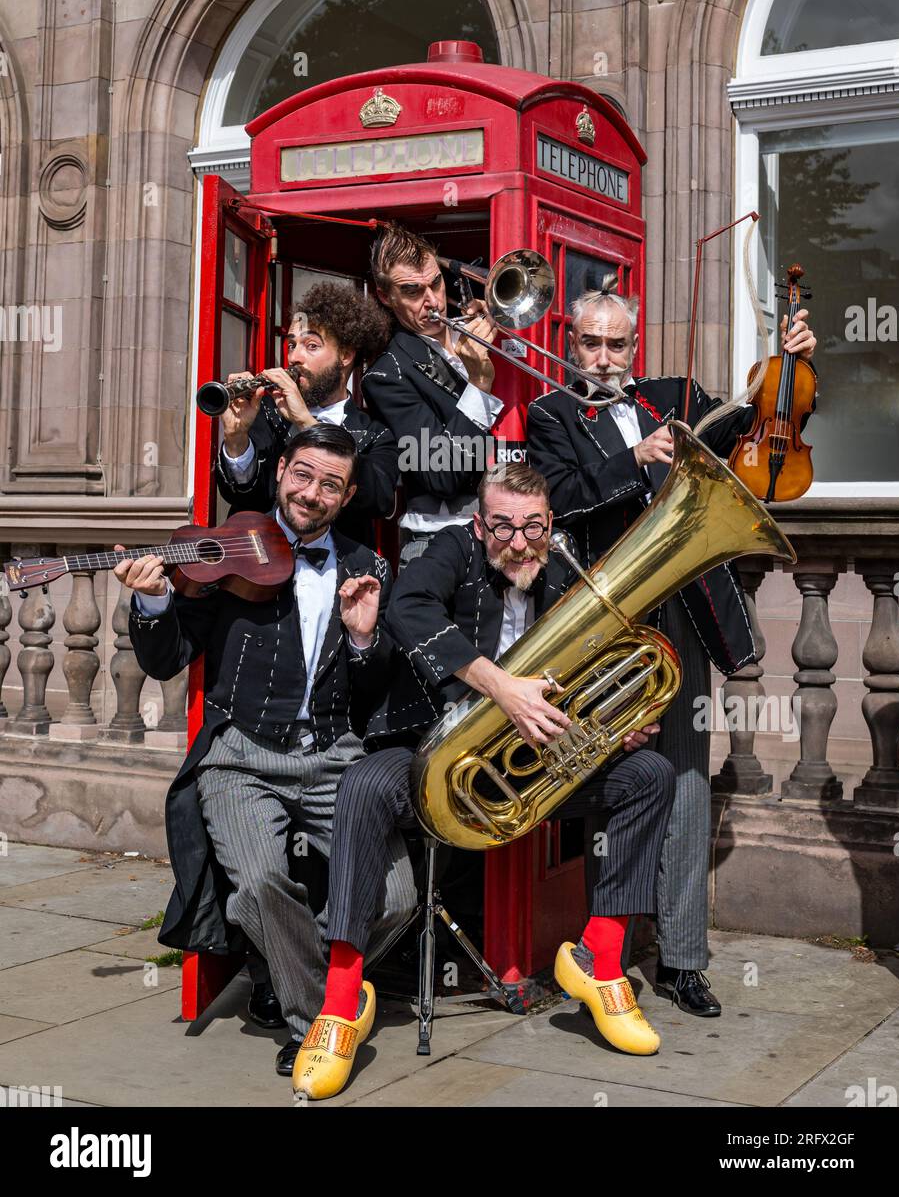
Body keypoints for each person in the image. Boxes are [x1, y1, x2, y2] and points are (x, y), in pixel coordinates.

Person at [292, 463, 675, 1101]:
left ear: (550, 522)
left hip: (532, 761)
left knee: (649, 775)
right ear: (479, 523)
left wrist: (620, 724)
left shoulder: (564, 565)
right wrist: (503, 688)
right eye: (502, 527)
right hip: (430, 748)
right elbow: (408, 609)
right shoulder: (448, 550)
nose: (520, 543)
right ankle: (340, 999)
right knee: (361, 786)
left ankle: (598, 962)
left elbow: (602, 657)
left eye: (533, 527)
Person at [527, 289, 817, 1018]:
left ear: (636, 347)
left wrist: (789, 365)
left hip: (683, 614)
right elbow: (557, 497)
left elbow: (756, 423)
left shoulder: (674, 396)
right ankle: (607, 958)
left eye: (616, 345)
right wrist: (633, 455)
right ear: (571, 342)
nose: (602, 358)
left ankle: (685, 959)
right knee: (613, 782)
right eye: (589, 343)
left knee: (686, 784)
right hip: (606, 624)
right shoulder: (549, 413)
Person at [118, 424, 416, 1077]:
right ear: (280, 470)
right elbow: (168, 658)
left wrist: (366, 641)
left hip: (335, 757)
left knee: (396, 899)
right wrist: (151, 597)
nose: (313, 492)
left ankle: (293, 978)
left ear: (347, 495)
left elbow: (374, 689)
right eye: (304, 475)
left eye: (331, 484)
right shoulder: (223, 553)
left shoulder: (369, 565)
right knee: (256, 886)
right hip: (241, 755)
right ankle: (318, 1021)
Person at [363, 222, 505, 566]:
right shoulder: (386, 374)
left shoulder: (473, 330)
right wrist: (478, 385)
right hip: (442, 545)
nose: (432, 302)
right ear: (386, 296)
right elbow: (440, 473)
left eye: (436, 284)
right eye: (412, 291)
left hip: (511, 533)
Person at [217, 282, 398, 546]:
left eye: (311, 346)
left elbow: (378, 499)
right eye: (292, 345)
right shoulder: (266, 412)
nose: (294, 357)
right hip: (260, 570)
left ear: (345, 355)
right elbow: (245, 498)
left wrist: (306, 424)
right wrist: (236, 438)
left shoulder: (375, 434)